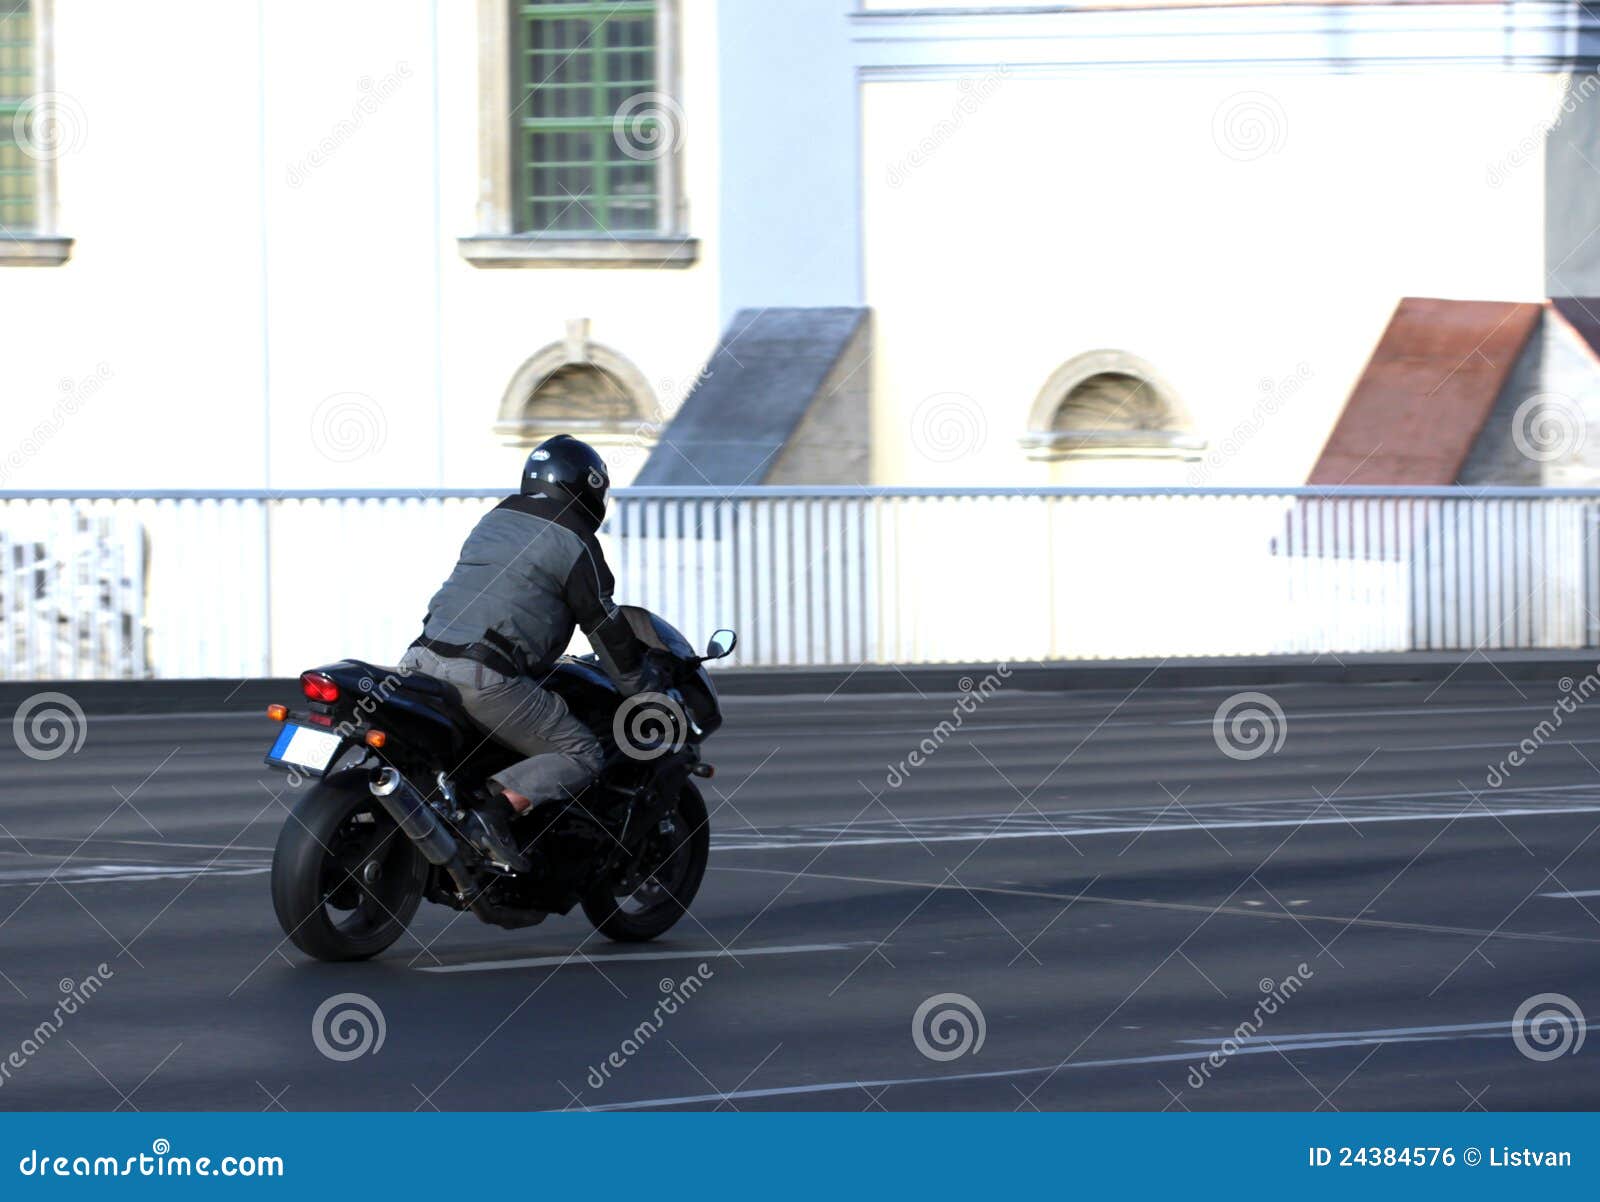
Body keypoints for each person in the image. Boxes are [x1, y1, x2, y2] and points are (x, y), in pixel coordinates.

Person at [400, 434, 653, 872]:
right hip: (484, 678)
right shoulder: (575, 543)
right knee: (582, 753)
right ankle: (493, 816)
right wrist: (642, 690)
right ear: (587, 488)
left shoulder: (493, 520)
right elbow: (605, 628)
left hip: (418, 663)